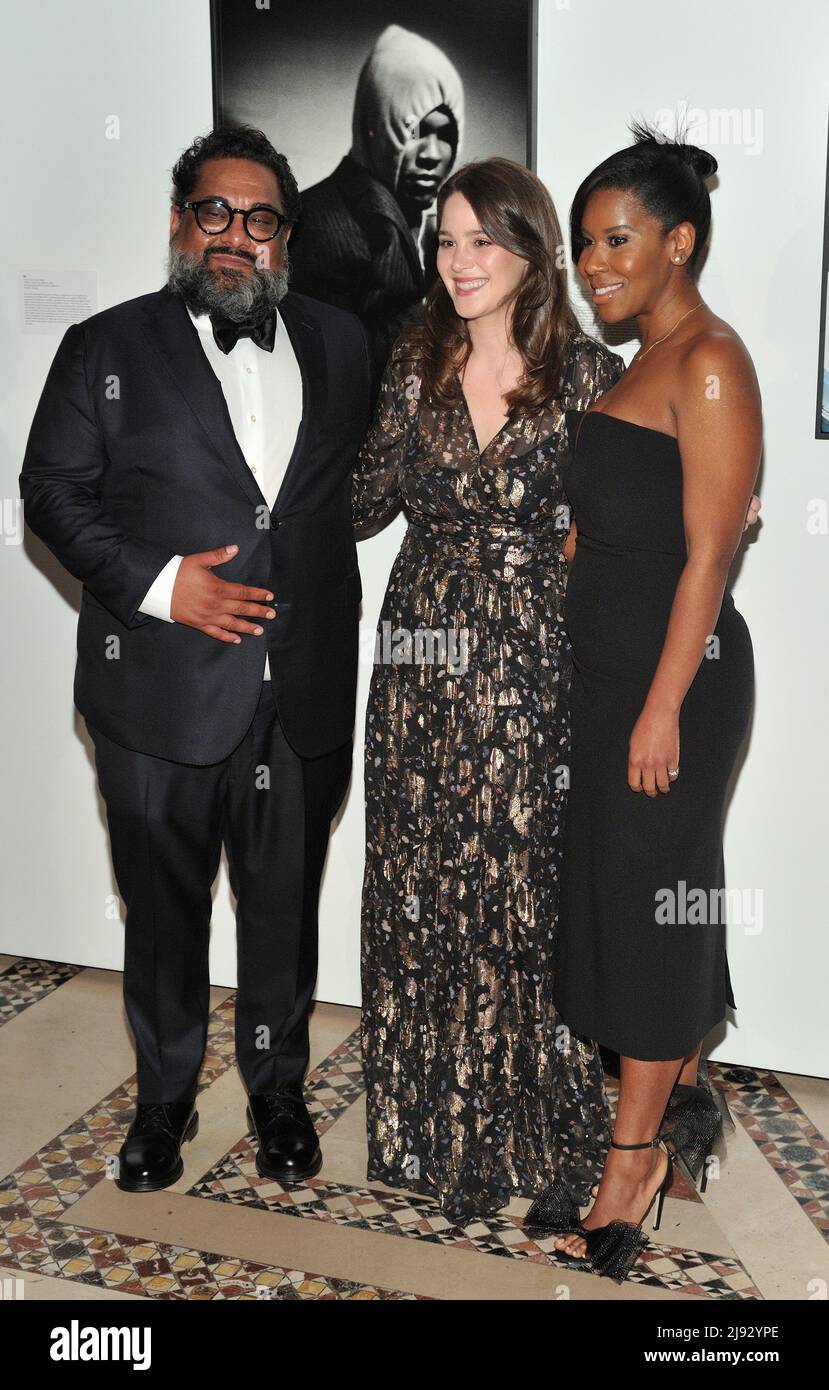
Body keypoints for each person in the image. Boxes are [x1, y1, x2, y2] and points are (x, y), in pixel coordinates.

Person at [19, 125, 371, 1194]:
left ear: (285, 238)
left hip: (299, 692)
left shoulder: (343, 342)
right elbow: (52, 496)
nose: (236, 236)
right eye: (214, 212)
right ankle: (163, 1096)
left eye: (260, 218)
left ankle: (276, 1092)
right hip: (157, 696)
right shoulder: (105, 348)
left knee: (283, 910)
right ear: (179, 224)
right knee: (163, 916)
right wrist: (169, 585)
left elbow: (358, 488)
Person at [351, 155, 634, 1226]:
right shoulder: (413, 361)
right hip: (419, 665)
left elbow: (620, 518)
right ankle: (436, 1130)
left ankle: (539, 1126)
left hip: (530, 667)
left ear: (530, 252)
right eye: (446, 240)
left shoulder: (589, 376)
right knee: (422, 890)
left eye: (482, 240)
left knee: (522, 894)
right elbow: (364, 504)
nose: (459, 261)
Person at [545, 124, 760, 1282]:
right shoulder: (634, 363)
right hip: (612, 680)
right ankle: (680, 1110)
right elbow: (620, 520)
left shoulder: (709, 359)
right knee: (638, 903)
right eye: (585, 244)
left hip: (672, 685)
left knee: (646, 914)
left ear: (679, 242)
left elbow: (710, 556)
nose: (594, 264)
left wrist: (662, 704)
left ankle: (630, 1167)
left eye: (617, 239)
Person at [289, 24, 462, 395]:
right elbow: (331, 371)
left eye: (445, 136)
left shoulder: (441, 228)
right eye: (416, 131)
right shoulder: (318, 220)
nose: (432, 155)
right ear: (376, 126)